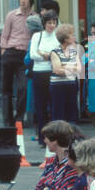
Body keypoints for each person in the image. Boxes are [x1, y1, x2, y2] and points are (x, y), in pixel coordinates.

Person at [0, 0, 34, 126]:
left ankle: (19, 117)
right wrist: (4, 50)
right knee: (6, 88)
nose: (23, 1)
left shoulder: (34, 18)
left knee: (23, 87)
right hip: (10, 52)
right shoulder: (11, 15)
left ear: (31, 0)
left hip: (24, 56)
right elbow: (4, 35)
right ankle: (7, 120)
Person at [28, 9, 60, 145]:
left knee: (53, 106)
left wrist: (45, 54)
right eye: (49, 23)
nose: (51, 25)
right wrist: (50, 56)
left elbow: (59, 54)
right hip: (39, 73)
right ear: (44, 23)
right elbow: (32, 55)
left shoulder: (58, 36)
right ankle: (42, 138)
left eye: (54, 22)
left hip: (53, 73)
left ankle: (54, 138)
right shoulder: (37, 36)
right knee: (40, 106)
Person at [49, 23, 81, 123]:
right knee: (58, 113)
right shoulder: (55, 52)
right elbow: (57, 70)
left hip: (71, 85)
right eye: (72, 35)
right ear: (66, 39)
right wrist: (72, 68)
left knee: (72, 112)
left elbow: (79, 69)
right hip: (58, 86)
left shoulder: (74, 51)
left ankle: (71, 135)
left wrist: (64, 67)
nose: (74, 37)